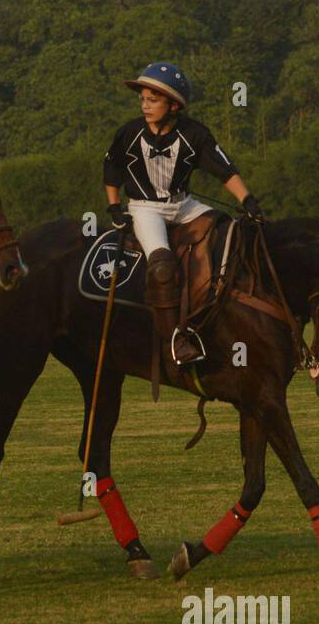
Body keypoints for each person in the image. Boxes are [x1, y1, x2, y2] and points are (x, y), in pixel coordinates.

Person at [102, 62, 264, 395]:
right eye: (143, 99)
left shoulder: (195, 134)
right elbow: (111, 167)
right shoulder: (129, 132)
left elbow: (224, 170)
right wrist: (114, 207)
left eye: (153, 100)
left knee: (231, 233)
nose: (145, 105)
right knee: (161, 266)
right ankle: (176, 339)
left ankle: (234, 319)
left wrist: (247, 200)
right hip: (145, 208)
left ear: (174, 105)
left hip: (184, 205)